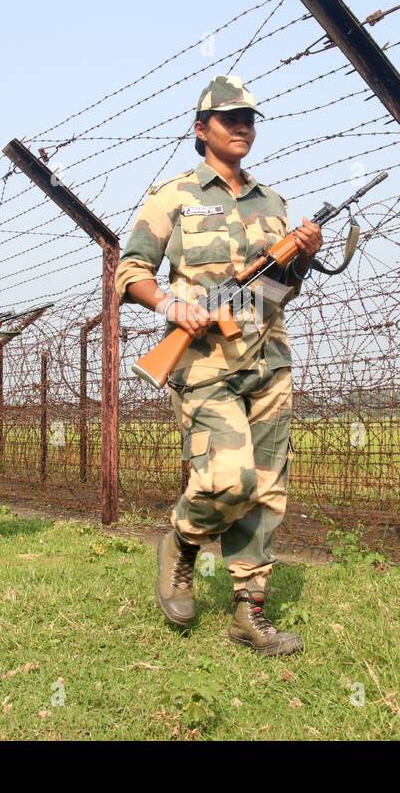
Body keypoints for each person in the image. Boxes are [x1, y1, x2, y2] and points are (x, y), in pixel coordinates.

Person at [114, 74, 322, 656]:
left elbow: (280, 292)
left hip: (269, 359)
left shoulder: (274, 204)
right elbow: (130, 273)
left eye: (250, 119)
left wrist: (300, 261)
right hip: (204, 364)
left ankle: (249, 613)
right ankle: (180, 545)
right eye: (229, 119)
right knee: (229, 479)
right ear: (201, 129)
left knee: (267, 491)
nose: (242, 128)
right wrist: (172, 305)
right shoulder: (173, 197)